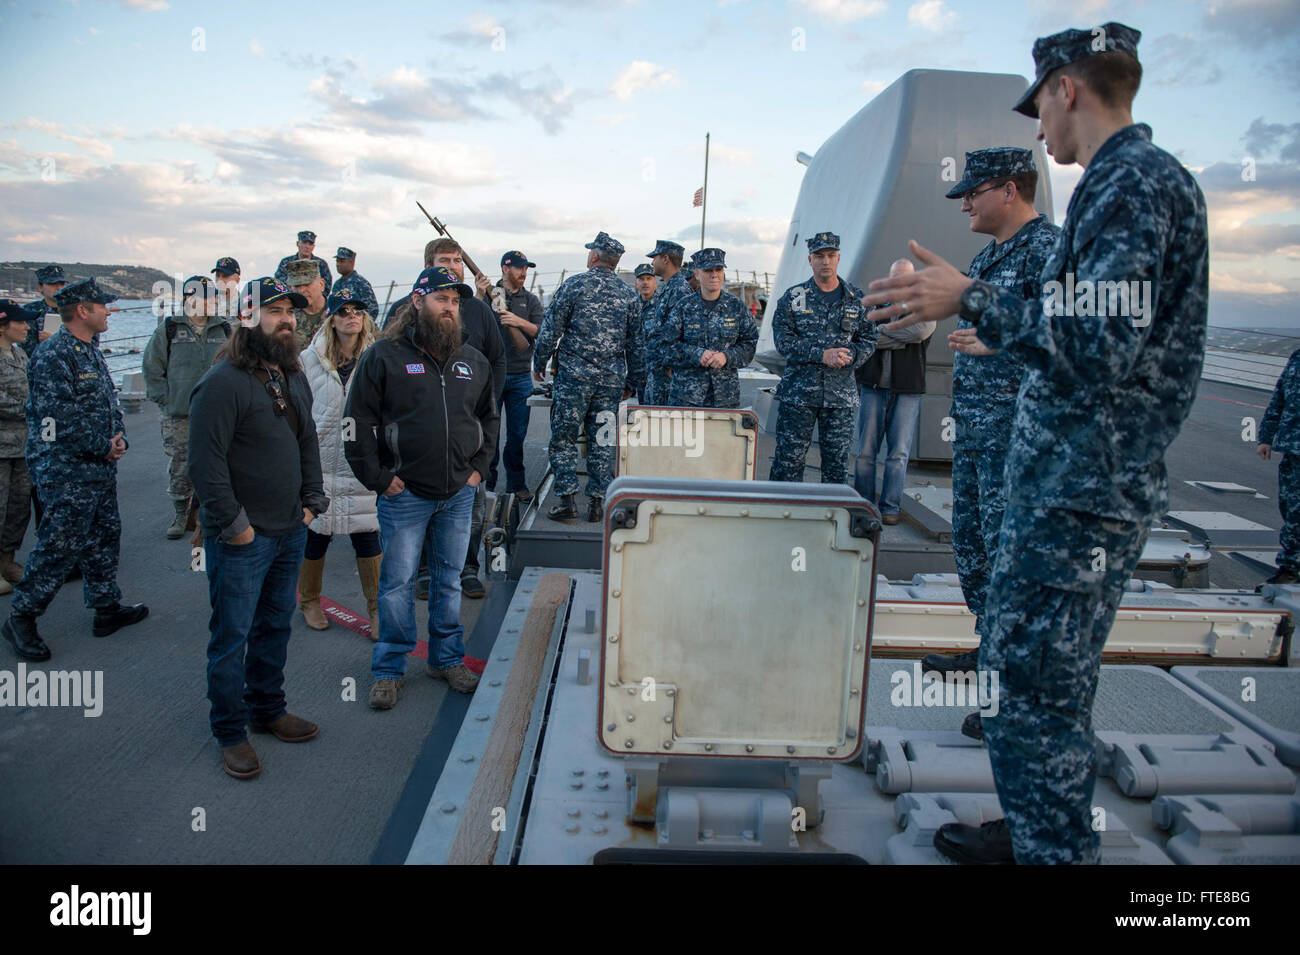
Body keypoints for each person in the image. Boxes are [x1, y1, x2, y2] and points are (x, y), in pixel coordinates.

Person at [862, 21, 1208, 865]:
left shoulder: (1129, 184)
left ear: (1067, 89)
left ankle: (1050, 852)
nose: (1038, 131)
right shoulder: (1130, 183)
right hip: (1076, 483)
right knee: (1047, 690)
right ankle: (1036, 834)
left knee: (1028, 694)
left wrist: (970, 300)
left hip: (1079, 492)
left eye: (1038, 108)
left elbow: (1100, 345)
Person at [921, 148, 1061, 686]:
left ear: (1008, 189)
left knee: (1016, 560)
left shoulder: (1049, 251)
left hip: (1021, 440)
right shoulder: (987, 258)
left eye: (972, 195)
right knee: (977, 551)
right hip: (980, 434)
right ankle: (992, 653)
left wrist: (1001, 341)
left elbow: (1077, 344)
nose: (964, 208)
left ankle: (1018, 688)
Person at [188, 276, 329, 779]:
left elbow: (308, 439)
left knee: (274, 626)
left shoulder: (290, 374)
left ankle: (267, 709)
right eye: (274, 312)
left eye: (290, 312)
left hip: (291, 528)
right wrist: (235, 526)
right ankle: (230, 731)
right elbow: (205, 466)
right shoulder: (222, 382)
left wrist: (312, 501)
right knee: (232, 636)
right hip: (243, 539)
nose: (286, 320)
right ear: (248, 318)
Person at [344, 267, 499, 708]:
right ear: (417, 302)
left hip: (458, 492)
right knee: (397, 584)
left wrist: (477, 471)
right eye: (440, 299)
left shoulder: (473, 360)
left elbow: (489, 419)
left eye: (455, 301)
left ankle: (446, 658)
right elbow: (356, 423)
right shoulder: (384, 357)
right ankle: (389, 668)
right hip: (405, 494)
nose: (449, 307)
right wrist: (377, 478)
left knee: (449, 580)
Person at [1, 278, 148, 663]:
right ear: (83, 310)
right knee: (59, 545)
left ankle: (106, 607)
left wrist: (119, 439)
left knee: (103, 536)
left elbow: (107, 402)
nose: (109, 311)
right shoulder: (55, 355)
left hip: (98, 466)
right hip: (66, 470)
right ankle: (21, 616)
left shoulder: (89, 351)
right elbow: (57, 418)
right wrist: (104, 446)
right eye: (103, 306)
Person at [384, 239, 506, 600]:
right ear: (427, 265)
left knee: (469, 510)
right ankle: (422, 570)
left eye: (458, 260)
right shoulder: (400, 311)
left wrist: (486, 404)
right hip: (414, 448)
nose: (454, 266)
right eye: (445, 260)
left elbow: (497, 360)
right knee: (416, 514)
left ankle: (467, 568)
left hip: (467, 442)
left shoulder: (479, 311)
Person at [533, 232, 644, 524]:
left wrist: (539, 362)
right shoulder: (629, 293)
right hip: (610, 381)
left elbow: (550, 329)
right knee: (601, 439)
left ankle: (567, 501)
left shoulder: (574, 286)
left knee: (565, 438)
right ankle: (597, 503)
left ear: (594, 256)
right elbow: (636, 343)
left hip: (573, 378)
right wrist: (632, 382)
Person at [298, 288, 381, 635]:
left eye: (358, 310)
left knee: (368, 536)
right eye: (344, 310)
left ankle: (376, 608)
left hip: (361, 462)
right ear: (331, 317)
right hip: (320, 462)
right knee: (316, 535)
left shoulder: (377, 358)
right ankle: (310, 600)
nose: (352, 316)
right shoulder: (308, 360)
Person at [768, 232, 877, 484]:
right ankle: (783, 518)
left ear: (838, 258)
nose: (825, 261)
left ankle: (830, 519)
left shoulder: (858, 300)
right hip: (798, 395)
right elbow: (783, 341)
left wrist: (850, 356)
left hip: (840, 397)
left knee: (836, 467)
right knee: (788, 463)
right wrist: (821, 355)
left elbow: (870, 339)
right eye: (819, 256)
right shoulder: (794, 298)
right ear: (810, 260)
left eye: (830, 255)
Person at [141, 275, 233, 539]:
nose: (212, 301)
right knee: (181, 464)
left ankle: (209, 513)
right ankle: (181, 513)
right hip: (180, 414)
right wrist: (166, 401)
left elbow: (237, 364)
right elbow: (152, 367)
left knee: (218, 462)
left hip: (217, 413)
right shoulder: (170, 329)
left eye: (214, 296)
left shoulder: (225, 329)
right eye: (206, 296)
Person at [852, 259, 936, 523]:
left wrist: (882, 333)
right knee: (866, 451)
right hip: (873, 388)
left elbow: (920, 332)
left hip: (907, 389)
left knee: (898, 453)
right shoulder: (872, 304)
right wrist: (898, 335)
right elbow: (862, 336)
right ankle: (864, 502)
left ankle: (890, 507)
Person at [658, 247, 757, 408]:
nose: (714, 275)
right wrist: (696, 354)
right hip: (687, 397)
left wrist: (727, 356)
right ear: (697, 274)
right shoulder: (684, 306)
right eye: (708, 270)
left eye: (718, 269)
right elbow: (666, 346)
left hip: (724, 397)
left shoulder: (736, 306)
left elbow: (750, 343)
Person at [483, 251, 543, 502]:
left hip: (519, 375)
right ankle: (487, 486)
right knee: (489, 435)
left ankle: (516, 485)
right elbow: (470, 322)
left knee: (517, 435)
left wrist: (515, 320)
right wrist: (480, 293)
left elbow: (540, 330)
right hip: (491, 376)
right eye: (519, 268)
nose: (523, 273)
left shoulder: (530, 301)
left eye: (526, 269)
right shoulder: (490, 295)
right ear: (505, 268)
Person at [1257, 347, 1300, 587]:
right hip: (1293, 448)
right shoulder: (1296, 357)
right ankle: (1290, 568)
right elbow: (1279, 398)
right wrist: (1266, 437)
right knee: (1292, 509)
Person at [0, 300, 33, 595]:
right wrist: (32, 409)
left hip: (22, 445)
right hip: (1, 446)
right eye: (20, 322)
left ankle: (7, 560)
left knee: (18, 508)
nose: (27, 327)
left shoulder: (19, 353)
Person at [645, 239, 687, 404]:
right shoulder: (669, 288)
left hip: (667, 375)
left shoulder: (679, 290)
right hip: (657, 371)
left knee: (663, 425)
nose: (652, 263)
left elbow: (683, 332)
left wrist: (671, 363)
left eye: (655, 258)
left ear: (666, 259)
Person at [20, 265, 65, 358]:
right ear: (40, 287)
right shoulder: (29, 311)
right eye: (53, 284)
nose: (58, 288)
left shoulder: (75, 312)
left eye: (61, 284)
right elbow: (25, 349)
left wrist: (54, 341)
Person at [284, 259, 328, 350]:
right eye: (296, 286)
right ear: (290, 288)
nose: (301, 291)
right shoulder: (287, 318)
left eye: (307, 284)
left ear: (321, 284)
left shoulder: (339, 314)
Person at [632, 263, 658, 403]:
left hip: (658, 373)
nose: (645, 282)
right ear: (636, 283)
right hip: (640, 371)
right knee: (642, 413)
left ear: (655, 282)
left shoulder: (663, 305)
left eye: (649, 278)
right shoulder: (632, 306)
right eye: (641, 279)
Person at [332, 246, 379, 318]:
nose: (338, 264)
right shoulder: (337, 284)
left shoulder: (361, 283)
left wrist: (361, 325)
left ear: (352, 262)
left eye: (342, 261)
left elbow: (373, 309)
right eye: (337, 261)